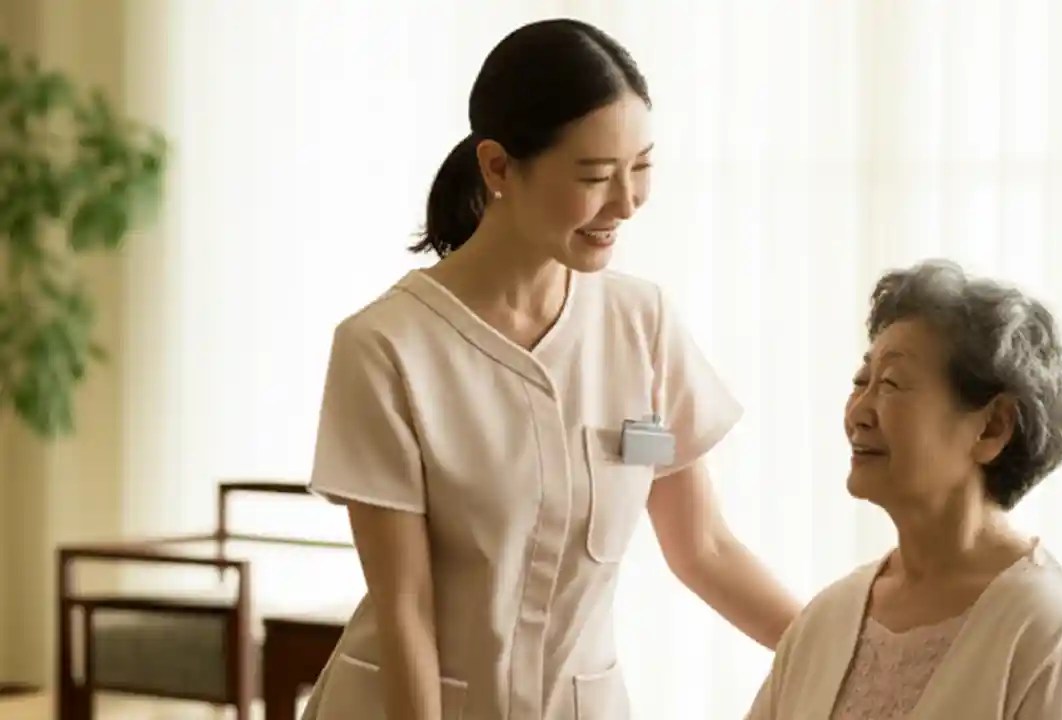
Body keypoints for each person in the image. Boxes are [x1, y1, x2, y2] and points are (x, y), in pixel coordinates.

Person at [300, 18, 800, 720]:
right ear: (499, 167)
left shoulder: (642, 324)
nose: (626, 203)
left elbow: (704, 548)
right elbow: (406, 608)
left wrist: (850, 658)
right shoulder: (386, 348)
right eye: (595, 176)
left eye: (642, 167)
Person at [745, 260, 1062, 719]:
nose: (858, 414)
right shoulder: (825, 620)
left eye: (890, 384)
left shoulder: (1053, 635)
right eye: (860, 382)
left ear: (993, 426)